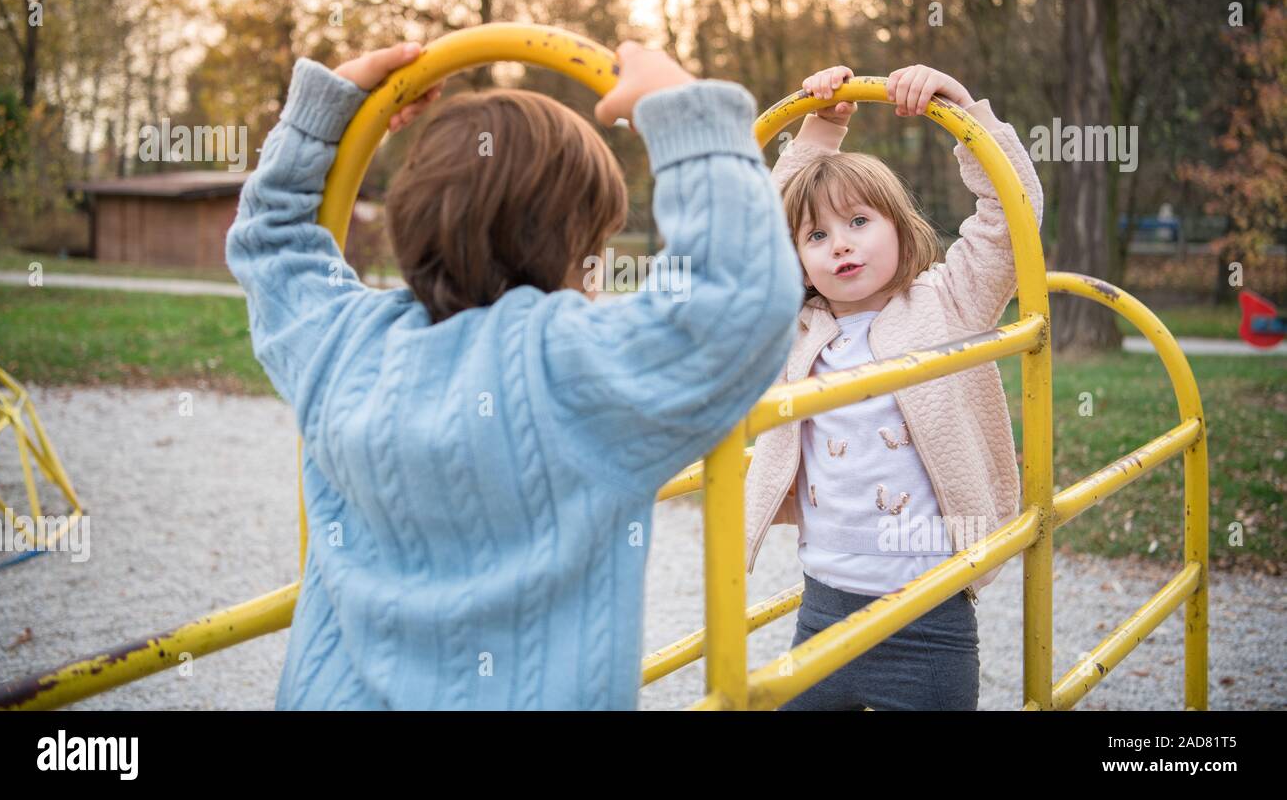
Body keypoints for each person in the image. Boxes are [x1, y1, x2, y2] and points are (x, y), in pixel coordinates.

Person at [225, 40, 804, 709]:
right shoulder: (576, 372)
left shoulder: (342, 347)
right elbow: (739, 296)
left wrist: (326, 115)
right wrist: (684, 113)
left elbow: (272, 240)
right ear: (576, 249)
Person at [743, 63, 1045, 710]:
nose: (840, 246)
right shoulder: (797, 327)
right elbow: (761, 234)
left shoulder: (948, 303)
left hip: (929, 621)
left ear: (900, 227)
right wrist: (822, 125)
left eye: (858, 222)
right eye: (817, 236)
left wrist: (964, 113)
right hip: (824, 610)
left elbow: (1009, 216)